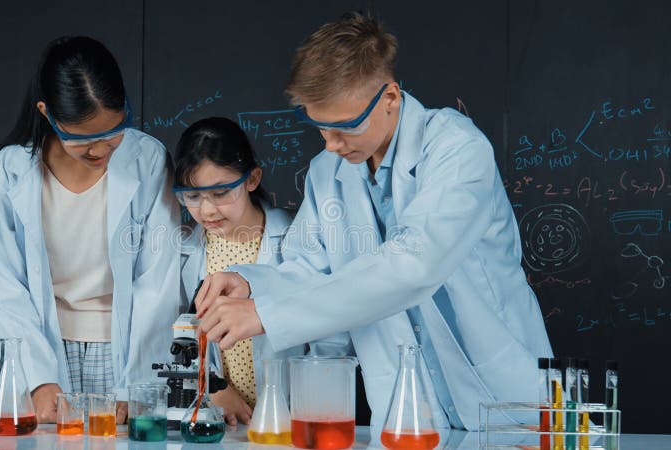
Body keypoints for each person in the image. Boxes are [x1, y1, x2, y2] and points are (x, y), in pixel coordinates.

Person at [194, 12, 553, 435]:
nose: (331, 145)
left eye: (345, 127)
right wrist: (252, 283)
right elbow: (308, 268)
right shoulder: (327, 173)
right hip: (407, 411)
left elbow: (412, 267)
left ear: (390, 98)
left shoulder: (457, 151)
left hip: (500, 396)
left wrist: (267, 313)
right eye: (320, 127)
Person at [0, 36, 179, 424]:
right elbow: (5, 284)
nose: (102, 151)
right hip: (43, 348)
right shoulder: (11, 170)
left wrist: (135, 383)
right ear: (47, 113)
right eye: (82, 140)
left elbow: (159, 281)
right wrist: (38, 378)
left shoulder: (149, 159)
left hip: (124, 353)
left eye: (113, 132)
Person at [175, 117, 329, 426]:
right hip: (222, 417)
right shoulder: (183, 251)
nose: (207, 210)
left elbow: (327, 326)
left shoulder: (296, 240)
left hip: (294, 413)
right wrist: (213, 385)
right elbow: (181, 333)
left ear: (252, 179)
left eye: (220, 193)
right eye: (193, 196)